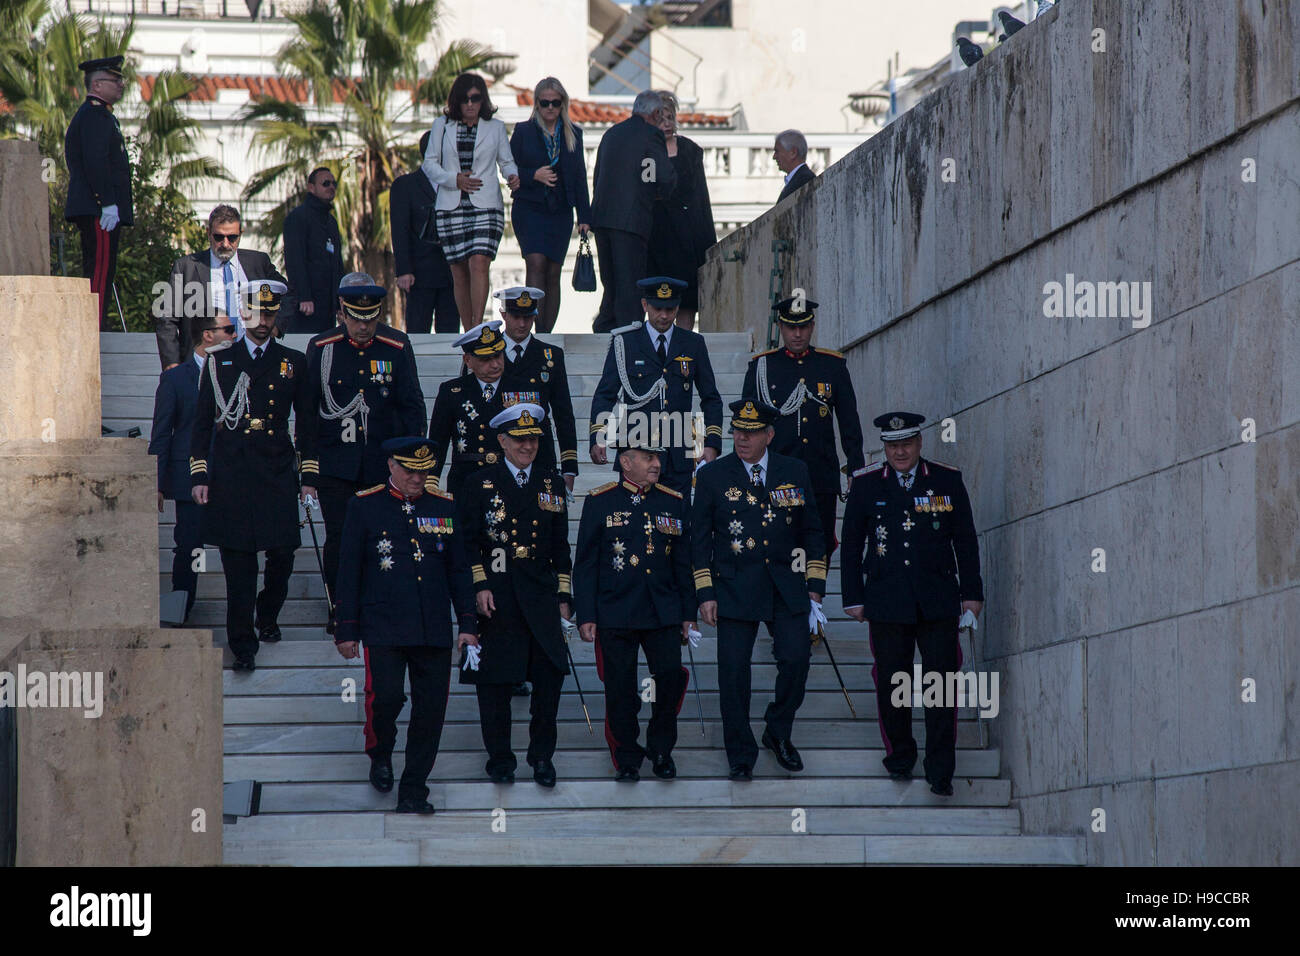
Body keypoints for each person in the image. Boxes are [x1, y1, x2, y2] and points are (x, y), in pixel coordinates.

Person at [840, 412, 984, 797]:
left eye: (906, 444)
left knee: (941, 685)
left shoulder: (945, 479)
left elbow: (965, 541)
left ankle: (941, 770)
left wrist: (972, 594)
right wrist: (853, 597)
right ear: (883, 447)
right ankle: (901, 757)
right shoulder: (866, 484)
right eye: (892, 445)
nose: (899, 452)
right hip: (886, 602)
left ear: (920, 443)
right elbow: (852, 545)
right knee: (892, 683)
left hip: (937, 600)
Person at [333, 437, 478, 814]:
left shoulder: (444, 507)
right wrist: (346, 628)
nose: (418, 478)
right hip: (383, 624)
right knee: (387, 698)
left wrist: (467, 623)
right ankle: (380, 752)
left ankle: (414, 787)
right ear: (392, 467)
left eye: (424, 471)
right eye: (411, 471)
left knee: (430, 712)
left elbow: (460, 571)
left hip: (431, 627)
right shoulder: (364, 507)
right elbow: (347, 571)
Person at [691, 399, 827, 780]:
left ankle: (778, 731)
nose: (742, 438)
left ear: (769, 434)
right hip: (734, 587)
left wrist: (815, 586)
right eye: (737, 431)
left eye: (751, 433)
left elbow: (812, 531)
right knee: (733, 673)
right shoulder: (713, 475)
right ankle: (740, 752)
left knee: (797, 661)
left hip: (786, 587)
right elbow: (699, 540)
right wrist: (705, 593)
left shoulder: (794, 470)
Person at [189, 280, 314, 672]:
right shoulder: (220, 360)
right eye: (256, 313)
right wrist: (200, 474)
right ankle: (243, 645)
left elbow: (307, 424)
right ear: (242, 314)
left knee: (283, 553)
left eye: (270, 313)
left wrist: (308, 474)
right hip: (233, 475)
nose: (263, 321)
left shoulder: (293, 361)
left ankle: (268, 612)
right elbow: (201, 424)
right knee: (239, 569)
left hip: (276, 471)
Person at [300, 272, 426, 634]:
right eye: (356, 317)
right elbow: (307, 415)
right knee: (339, 539)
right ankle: (340, 607)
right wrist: (309, 473)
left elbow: (412, 408)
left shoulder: (396, 346)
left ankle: (380, 602)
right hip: (335, 467)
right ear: (341, 311)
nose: (363, 326)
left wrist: (413, 466)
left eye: (370, 318)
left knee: (385, 536)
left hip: (381, 466)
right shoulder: (322, 348)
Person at [455, 403, 573, 787]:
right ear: (502, 441)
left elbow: (560, 545)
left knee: (549, 681)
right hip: (499, 597)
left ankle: (542, 757)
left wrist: (564, 595)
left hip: (540, 597)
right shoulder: (478, 483)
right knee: (495, 686)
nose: (528, 446)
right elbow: (467, 543)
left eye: (534, 439)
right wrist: (480, 585)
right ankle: (500, 760)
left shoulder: (551, 482)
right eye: (520, 439)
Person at [574, 439, 694, 781]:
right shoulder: (600, 501)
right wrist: (587, 615)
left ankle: (660, 749)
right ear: (626, 462)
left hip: (662, 610)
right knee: (621, 688)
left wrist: (688, 613)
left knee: (669, 679)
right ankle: (627, 755)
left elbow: (684, 563)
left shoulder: (673, 502)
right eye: (648, 457)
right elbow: (585, 564)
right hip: (616, 609)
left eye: (658, 457)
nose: (657, 463)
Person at [742, 295, 864, 558]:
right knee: (778, 540)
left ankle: (815, 597)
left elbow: (849, 421)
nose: (797, 334)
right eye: (790, 327)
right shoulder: (762, 366)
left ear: (812, 326)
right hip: (777, 471)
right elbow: (746, 422)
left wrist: (855, 465)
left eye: (803, 327)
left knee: (821, 542)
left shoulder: (832, 366)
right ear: (781, 327)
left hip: (820, 472)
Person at [589, 276, 722, 496]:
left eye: (670, 309)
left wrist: (711, 443)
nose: (664, 315)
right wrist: (598, 436)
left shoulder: (693, 343)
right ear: (645, 305)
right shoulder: (625, 343)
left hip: (679, 450)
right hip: (636, 448)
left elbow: (711, 397)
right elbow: (605, 394)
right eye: (658, 308)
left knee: (677, 521)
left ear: (678, 308)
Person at [148, 310, 236, 623]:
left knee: (235, 547)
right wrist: (157, 482)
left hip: (230, 475)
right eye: (228, 329)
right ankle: (181, 609)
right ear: (207, 335)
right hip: (189, 477)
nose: (234, 335)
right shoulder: (175, 378)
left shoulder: (236, 372)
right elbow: (161, 432)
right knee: (189, 547)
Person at [421, 73, 520, 330]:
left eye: (475, 98)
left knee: (479, 261)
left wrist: (512, 176)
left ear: (483, 100)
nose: (470, 104)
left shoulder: (495, 127)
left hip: (486, 205)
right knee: (459, 271)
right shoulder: (441, 125)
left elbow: (506, 161)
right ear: (457, 101)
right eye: (465, 99)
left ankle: (478, 325)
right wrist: (454, 180)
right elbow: (429, 164)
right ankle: (469, 330)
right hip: (450, 205)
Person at [156, 204, 287, 369]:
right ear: (208, 233)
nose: (225, 244)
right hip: (204, 362)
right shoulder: (186, 267)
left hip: (253, 359)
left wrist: (276, 325)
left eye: (232, 237)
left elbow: (289, 293)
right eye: (219, 237)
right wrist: (172, 362)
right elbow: (167, 319)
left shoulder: (258, 262)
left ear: (241, 234)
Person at [508, 77, 592, 334]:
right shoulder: (523, 131)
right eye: (544, 103)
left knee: (554, 271)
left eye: (555, 103)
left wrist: (585, 216)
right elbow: (509, 168)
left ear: (562, 104)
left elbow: (579, 176)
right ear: (536, 104)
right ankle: (529, 328)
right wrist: (534, 175)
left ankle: (546, 334)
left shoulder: (573, 133)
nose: (550, 108)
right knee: (535, 263)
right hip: (529, 208)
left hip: (560, 212)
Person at [589, 90, 678, 332]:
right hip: (631, 221)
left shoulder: (611, 134)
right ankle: (630, 338)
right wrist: (660, 193)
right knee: (630, 285)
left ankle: (604, 328)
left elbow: (598, 177)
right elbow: (664, 176)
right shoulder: (652, 135)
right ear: (656, 113)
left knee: (611, 283)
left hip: (603, 219)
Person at [64, 55, 133, 331]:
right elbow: (96, 161)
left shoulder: (100, 114)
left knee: (102, 271)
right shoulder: (95, 115)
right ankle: (93, 328)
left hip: (99, 207)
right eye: (116, 80)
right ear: (98, 84)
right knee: (99, 271)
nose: (121, 85)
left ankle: (95, 325)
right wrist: (107, 202)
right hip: (98, 209)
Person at [496, 286, 578, 491]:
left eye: (528, 317)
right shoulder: (485, 351)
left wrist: (569, 467)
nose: (523, 324)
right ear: (503, 314)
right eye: (516, 316)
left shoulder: (551, 355)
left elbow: (563, 414)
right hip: (498, 448)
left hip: (539, 450)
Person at [645, 91, 716, 331]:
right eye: (661, 118)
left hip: (686, 238)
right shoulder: (646, 151)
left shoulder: (690, 151)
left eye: (670, 117)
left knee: (686, 300)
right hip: (656, 237)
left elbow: (701, 199)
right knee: (658, 298)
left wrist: (707, 243)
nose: (666, 123)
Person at [426, 320, 509, 496]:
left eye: (498, 356)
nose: (495, 364)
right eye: (486, 359)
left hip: (508, 479)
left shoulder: (520, 389)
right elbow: (437, 441)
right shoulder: (452, 391)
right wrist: (431, 482)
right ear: (468, 360)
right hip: (465, 480)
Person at [390, 130, 459, 333]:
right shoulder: (405, 185)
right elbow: (399, 229)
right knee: (418, 329)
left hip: (452, 271)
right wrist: (404, 270)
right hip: (419, 272)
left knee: (449, 330)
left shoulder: (457, 184)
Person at [283, 166, 345, 333]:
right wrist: (304, 297)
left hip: (328, 307)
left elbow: (338, 264)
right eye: (326, 183)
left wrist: (340, 303)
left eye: (334, 183)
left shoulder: (331, 221)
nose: (331, 187)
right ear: (311, 187)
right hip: (307, 306)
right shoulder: (298, 217)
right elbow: (295, 260)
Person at [774, 129, 815, 203]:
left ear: (793, 153)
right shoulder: (799, 179)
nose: (774, 156)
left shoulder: (804, 180)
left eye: (777, 151)